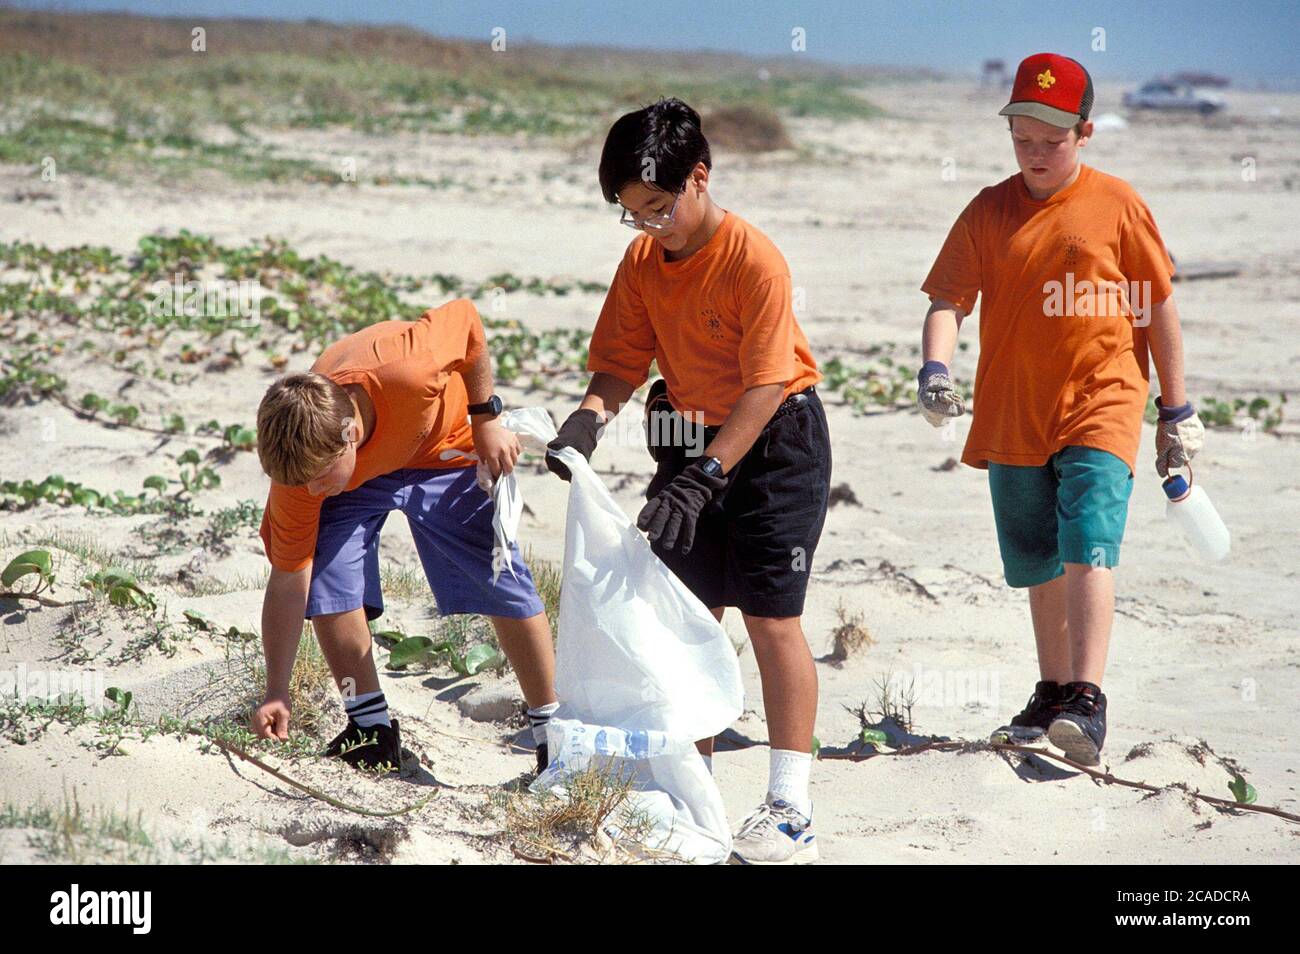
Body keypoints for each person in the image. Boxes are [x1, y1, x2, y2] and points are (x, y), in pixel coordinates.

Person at [546, 98, 830, 864]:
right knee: (689, 613)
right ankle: (690, 788)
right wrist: (588, 417)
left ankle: (788, 805)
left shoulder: (755, 261)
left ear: (700, 178)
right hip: (684, 431)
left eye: (659, 209)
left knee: (771, 618)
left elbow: (767, 388)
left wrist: (705, 477)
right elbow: (622, 362)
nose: (649, 227)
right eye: (633, 214)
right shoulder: (643, 260)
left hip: (777, 439)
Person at [918, 53, 1205, 766]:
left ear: (1084, 133)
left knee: (1088, 545)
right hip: (1014, 412)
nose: (1036, 153)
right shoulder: (988, 209)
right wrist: (934, 368)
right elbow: (949, 299)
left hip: (1101, 403)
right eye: (1023, 137)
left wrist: (1176, 409)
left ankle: (1088, 698)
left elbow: (1158, 307)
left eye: (1053, 139)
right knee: (1037, 561)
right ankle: (1051, 690)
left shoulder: (1118, 204)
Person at [251, 299, 558, 773]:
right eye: (302, 483)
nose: (312, 492)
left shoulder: (408, 369)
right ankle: (370, 729)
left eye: (318, 479)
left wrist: (486, 419)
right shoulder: (301, 476)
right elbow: (290, 580)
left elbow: (467, 319)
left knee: (502, 575)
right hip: (359, 475)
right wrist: (277, 689)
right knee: (327, 580)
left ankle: (552, 734)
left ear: (350, 433)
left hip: (441, 445)